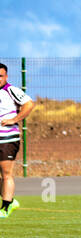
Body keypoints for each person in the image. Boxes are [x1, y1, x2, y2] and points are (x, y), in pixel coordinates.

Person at [0, 62, 34, 219]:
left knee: (6, 174)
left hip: (7, 138)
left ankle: (6, 206)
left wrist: (14, 119)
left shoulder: (11, 90)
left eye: (0, 76)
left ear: (6, 76)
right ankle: (9, 201)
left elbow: (29, 104)